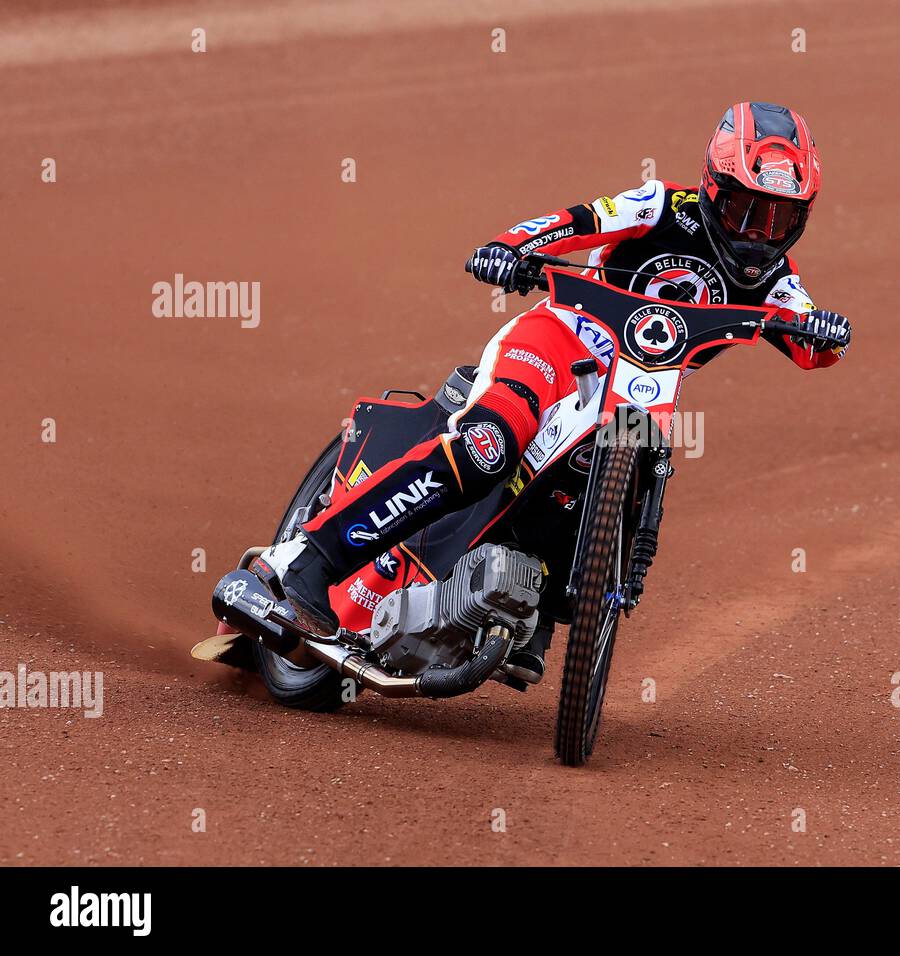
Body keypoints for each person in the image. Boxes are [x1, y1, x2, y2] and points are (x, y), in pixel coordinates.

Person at [255, 102, 852, 684]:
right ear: (713, 188)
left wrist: (828, 331)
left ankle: (532, 609)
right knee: (488, 446)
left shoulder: (779, 279)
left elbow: (811, 344)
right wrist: (512, 246)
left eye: (778, 218)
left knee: (606, 482)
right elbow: (576, 222)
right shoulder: (663, 203)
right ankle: (308, 564)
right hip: (557, 344)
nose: (757, 235)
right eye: (746, 209)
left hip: (640, 394)